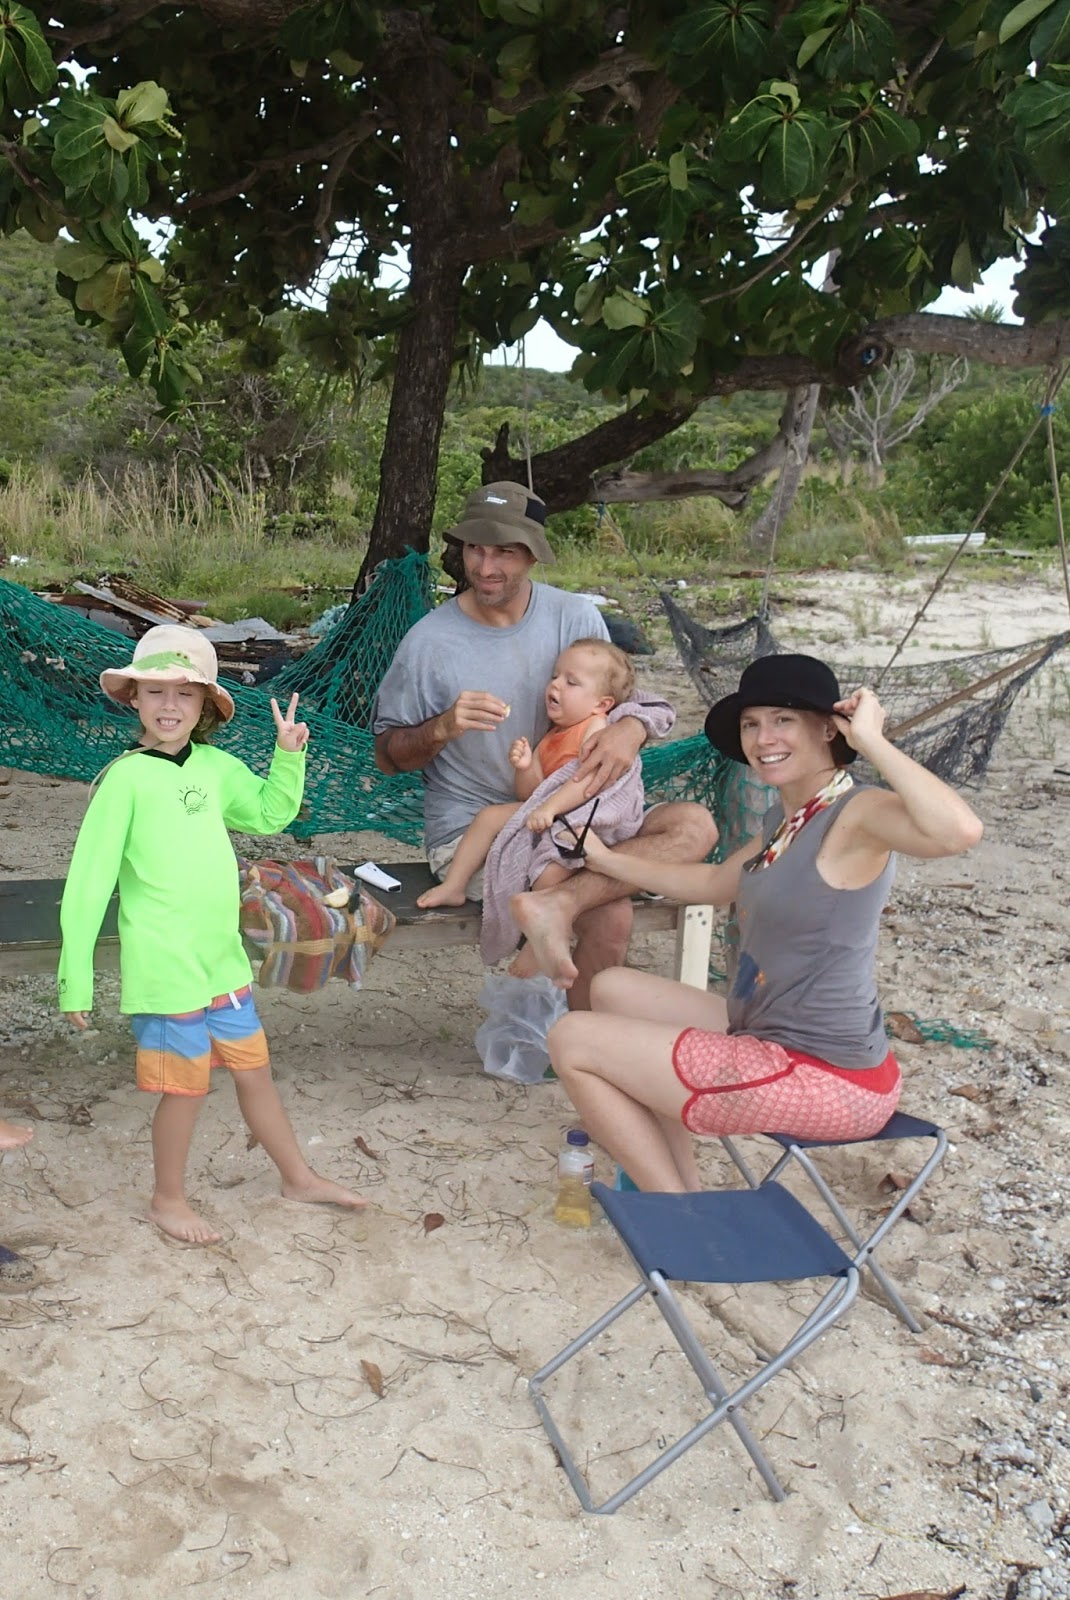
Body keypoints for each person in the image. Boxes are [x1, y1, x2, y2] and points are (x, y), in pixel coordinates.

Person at [547, 653, 984, 1192]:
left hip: (829, 1078)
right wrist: (605, 859)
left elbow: (958, 831)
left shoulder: (857, 814)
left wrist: (872, 742)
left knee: (573, 1038)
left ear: (829, 729)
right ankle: (679, 1183)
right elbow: (715, 883)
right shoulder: (789, 817)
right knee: (610, 988)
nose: (762, 737)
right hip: (763, 1030)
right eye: (751, 723)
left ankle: (680, 1213)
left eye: (783, 720)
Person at [57, 624, 366, 1245]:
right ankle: (167, 1198)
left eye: (186, 696)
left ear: (205, 708)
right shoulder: (124, 780)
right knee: (185, 1088)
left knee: (255, 1072)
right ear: (135, 698)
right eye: (155, 692)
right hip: (167, 968)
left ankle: (297, 1176)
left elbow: (269, 813)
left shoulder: (217, 766)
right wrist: (76, 979)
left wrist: (288, 754)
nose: (169, 706)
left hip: (222, 963)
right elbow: (88, 884)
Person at [373, 481, 716, 1007]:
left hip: (578, 820)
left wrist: (632, 728)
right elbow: (387, 756)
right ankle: (576, 1038)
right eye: (475, 549)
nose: (486, 567)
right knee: (610, 910)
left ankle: (559, 917)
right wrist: (442, 726)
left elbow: (622, 696)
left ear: (532, 554)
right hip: (480, 830)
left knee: (694, 824)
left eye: (504, 552)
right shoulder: (429, 643)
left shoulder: (573, 617)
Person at [415, 637, 641, 911]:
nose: (556, 685)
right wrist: (525, 767)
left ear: (601, 704)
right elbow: (529, 793)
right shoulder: (553, 735)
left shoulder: (595, 728)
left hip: (584, 819)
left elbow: (587, 781)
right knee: (488, 817)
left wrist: (550, 808)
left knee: (548, 858)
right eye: (555, 676)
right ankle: (454, 886)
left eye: (571, 682)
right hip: (552, 814)